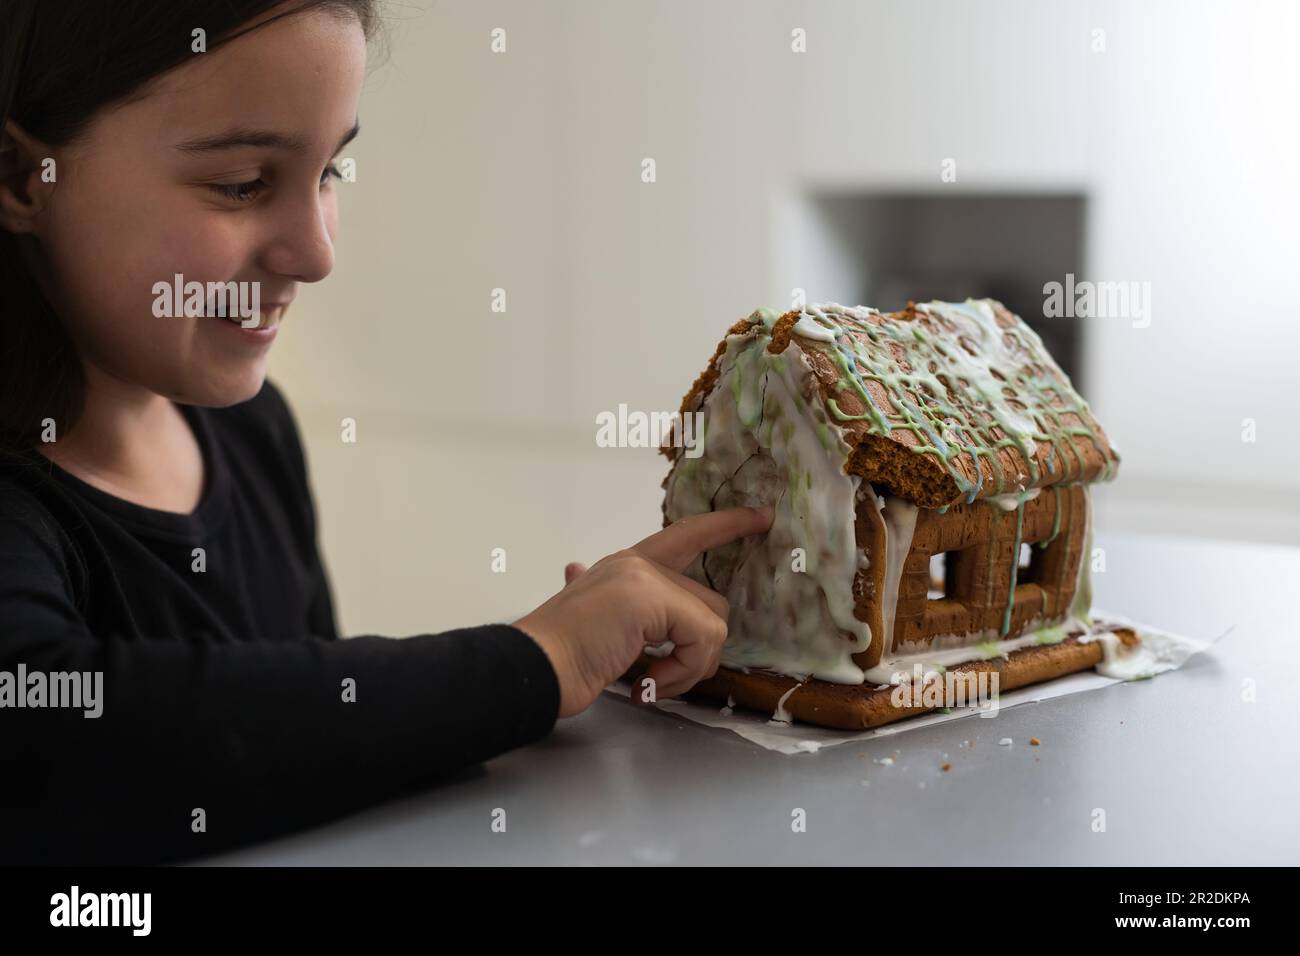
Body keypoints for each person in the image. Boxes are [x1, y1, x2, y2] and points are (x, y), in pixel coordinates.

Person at [0, 0, 773, 864]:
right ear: (26, 177)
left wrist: (547, 660)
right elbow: (50, 746)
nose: (317, 251)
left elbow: (301, 743)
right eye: (243, 183)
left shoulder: (253, 433)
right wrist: (531, 664)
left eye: (331, 171)